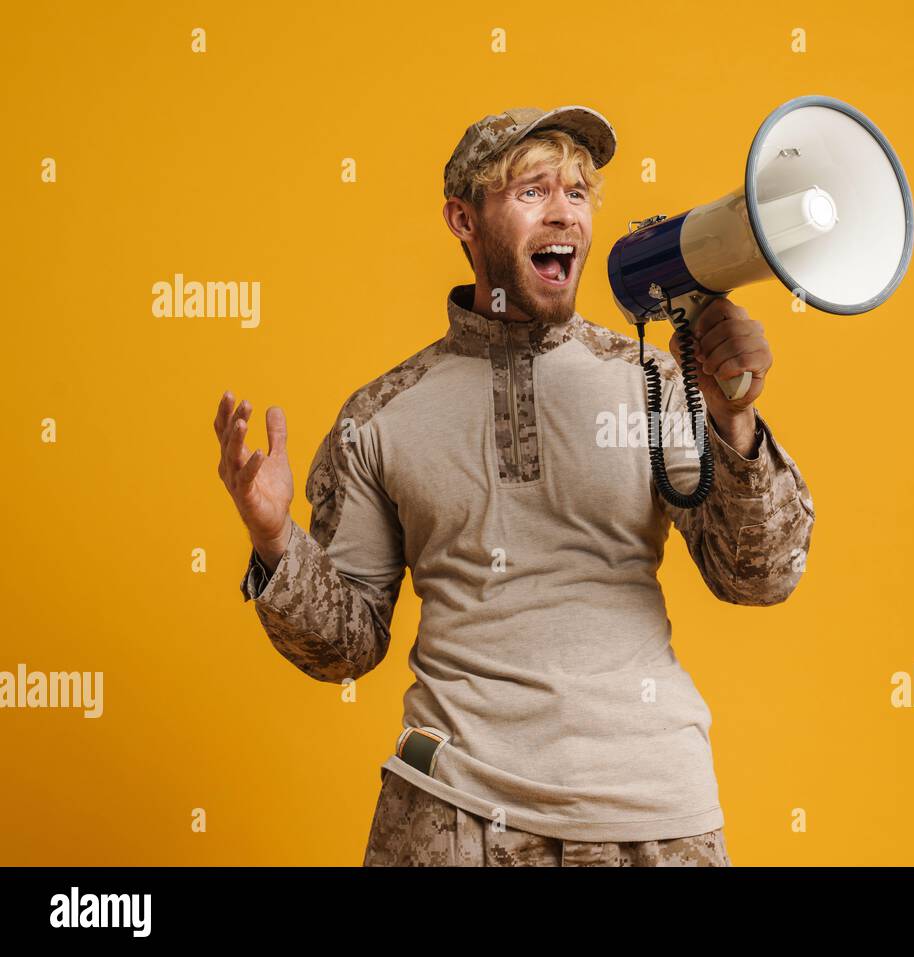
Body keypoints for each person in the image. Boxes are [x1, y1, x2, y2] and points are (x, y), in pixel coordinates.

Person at [212, 105, 815, 866]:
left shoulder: (656, 383)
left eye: (578, 191)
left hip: (655, 820)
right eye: (532, 190)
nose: (564, 210)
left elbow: (758, 576)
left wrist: (734, 420)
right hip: (453, 821)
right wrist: (274, 540)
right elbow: (345, 647)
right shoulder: (382, 414)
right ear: (463, 219)